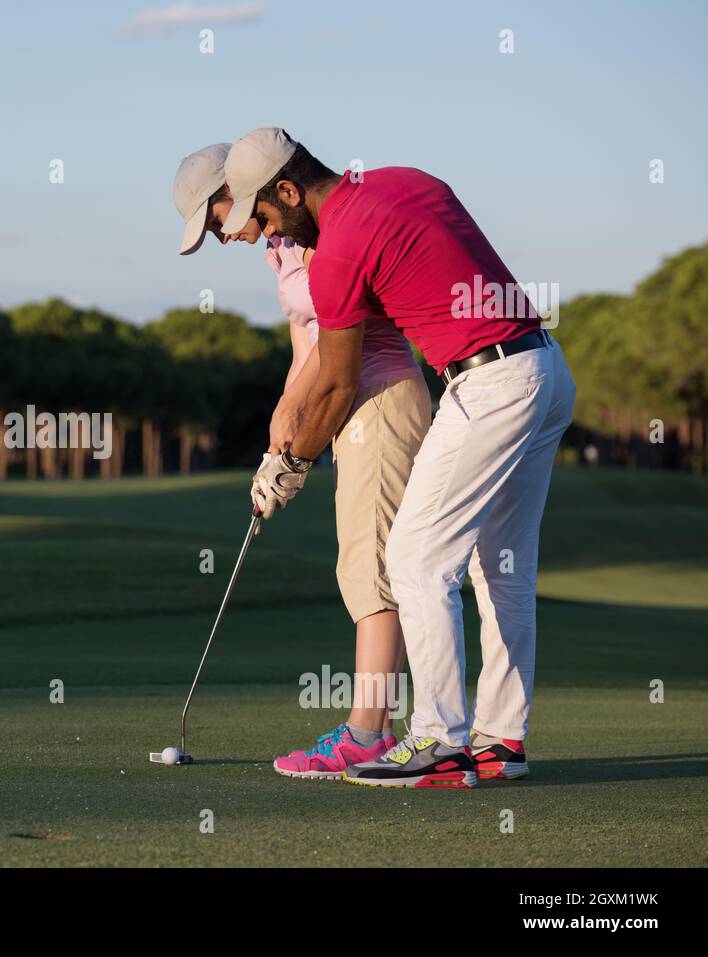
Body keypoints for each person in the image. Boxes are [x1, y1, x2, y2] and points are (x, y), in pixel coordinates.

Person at [224, 128, 575, 788]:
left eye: (267, 216)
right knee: (501, 567)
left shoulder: (334, 254)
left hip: (490, 383)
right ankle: (502, 740)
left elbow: (333, 381)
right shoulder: (405, 178)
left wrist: (290, 462)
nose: (272, 233)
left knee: (414, 556)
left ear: (290, 190)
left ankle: (439, 740)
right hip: (545, 368)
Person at [173, 143, 431, 779]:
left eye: (216, 221)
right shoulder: (280, 249)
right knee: (361, 562)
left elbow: (339, 334)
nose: (220, 237)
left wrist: (292, 430)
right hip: (342, 410)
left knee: (371, 564)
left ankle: (368, 733)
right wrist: (278, 439)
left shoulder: (316, 234)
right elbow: (302, 349)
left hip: (379, 398)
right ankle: (379, 727)